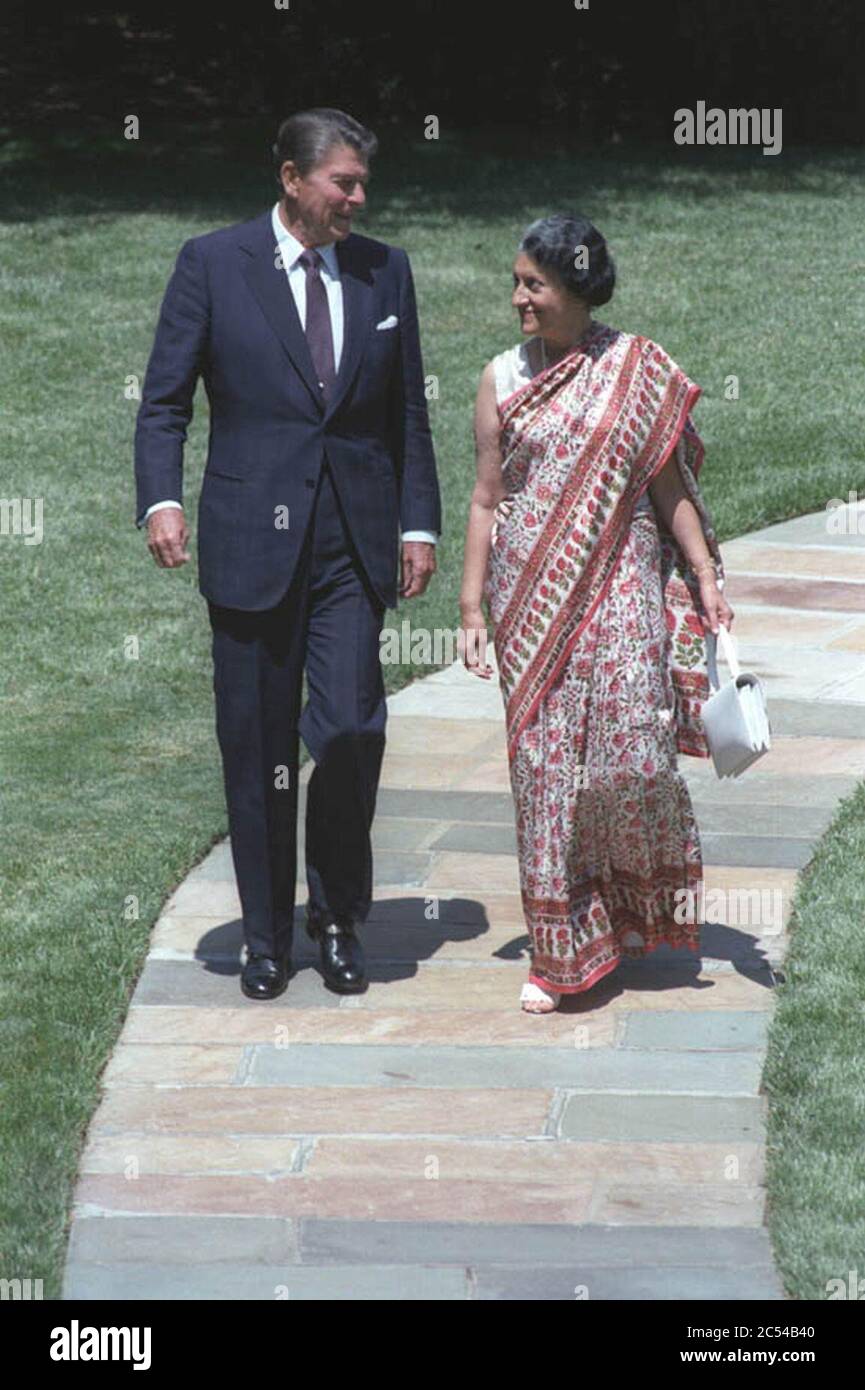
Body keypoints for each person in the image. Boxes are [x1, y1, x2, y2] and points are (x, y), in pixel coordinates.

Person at [135, 108, 441, 1001]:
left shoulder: (384, 270)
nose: (357, 198)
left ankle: (338, 919)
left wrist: (416, 525)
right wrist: (160, 500)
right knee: (257, 745)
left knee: (350, 729)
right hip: (249, 545)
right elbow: (164, 403)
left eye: (362, 183)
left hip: (351, 545)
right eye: (343, 182)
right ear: (291, 179)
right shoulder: (212, 263)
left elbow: (406, 412)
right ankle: (265, 938)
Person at [459, 213, 733, 1014]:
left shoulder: (636, 368)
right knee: (544, 775)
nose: (518, 298)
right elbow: (485, 497)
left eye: (534, 285)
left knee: (630, 762)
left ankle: (626, 917)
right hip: (529, 605)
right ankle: (558, 953)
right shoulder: (500, 377)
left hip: (621, 592)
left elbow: (668, 484)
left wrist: (704, 574)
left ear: (577, 289)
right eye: (515, 283)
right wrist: (470, 607)